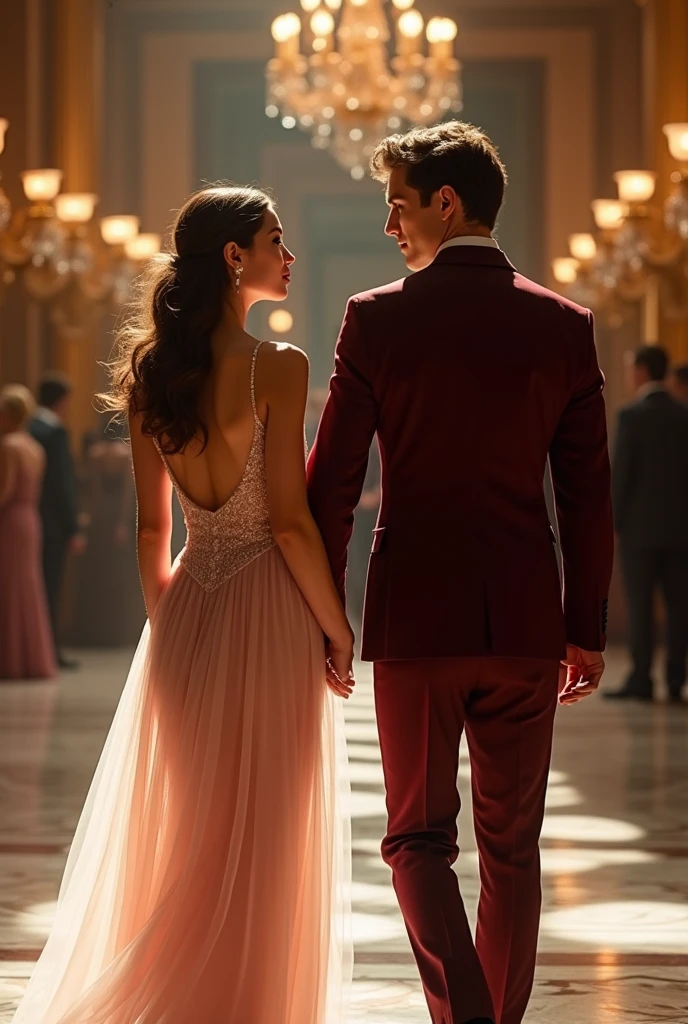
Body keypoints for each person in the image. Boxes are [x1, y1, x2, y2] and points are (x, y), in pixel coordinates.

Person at [11, 184, 354, 1024]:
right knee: (269, 829)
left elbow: (148, 530)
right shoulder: (280, 367)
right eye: (277, 238)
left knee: (196, 830)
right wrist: (339, 630)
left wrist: (169, 620)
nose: (289, 254)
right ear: (236, 258)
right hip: (270, 610)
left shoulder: (150, 375)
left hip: (184, 613)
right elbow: (287, 525)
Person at [308, 121, 614, 1024]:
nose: (390, 225)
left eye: (398, 206)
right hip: (524, 621)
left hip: (415, 619)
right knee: (513, 849)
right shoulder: (564, 326)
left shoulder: (376, 317)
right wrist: (584, 628)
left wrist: (329, 615)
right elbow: (587, 497)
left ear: (447, 203)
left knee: (414, 841)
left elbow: (333, 485)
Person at [606, 345, 688, 703]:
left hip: (639, 532)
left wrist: (614, 524)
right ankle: (675, 680)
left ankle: (641, 679)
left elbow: (622, 475)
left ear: (640, 371)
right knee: (679, 608)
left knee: (640, 606)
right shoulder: (684, 415)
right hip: (681, 531)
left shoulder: (631, 416)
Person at [69, 415, 145, 646]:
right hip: (118, 518)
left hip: (100, 515)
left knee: (96, 574)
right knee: (117, 576)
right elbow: (126, 495)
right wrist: (122, 523)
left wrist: (90, 518)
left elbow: (94, 492)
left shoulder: (95, 453)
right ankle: (116, 633)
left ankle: (94, 632)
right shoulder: (126, 454)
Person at [28, 372, 85, 669]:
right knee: (50, 587)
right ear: (61, 401)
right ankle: (49, 651)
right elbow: (63, 484)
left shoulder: (28, 427)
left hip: (28, 519)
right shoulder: (55, 433)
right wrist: (73, 527)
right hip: (53, 526)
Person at [0, 385, 57, 680]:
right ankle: (29, 658)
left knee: (9, 587)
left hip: (10, 520)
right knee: (28, 586)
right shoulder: (35, 447)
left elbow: (5, 491)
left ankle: (10, 659)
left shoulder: (9, 446)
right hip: (30, 519)